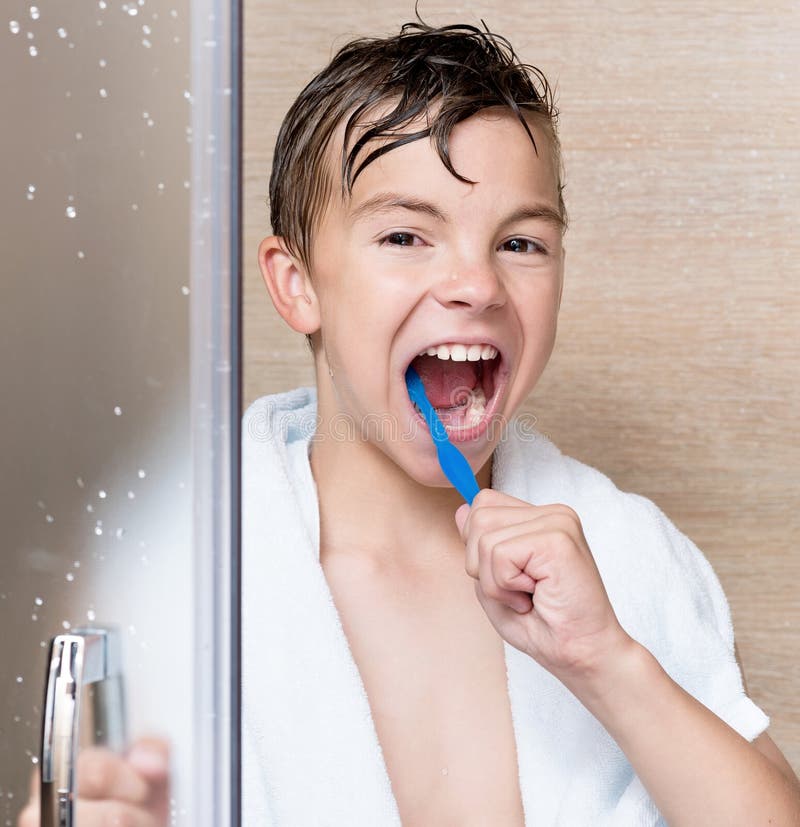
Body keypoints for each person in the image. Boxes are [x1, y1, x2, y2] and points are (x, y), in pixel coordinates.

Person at [19, 19, 800, 827]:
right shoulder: (189, 575)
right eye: (405, 235)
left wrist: (607, 663)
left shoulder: (626, 558)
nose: (476, 283)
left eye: (521, 242)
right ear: (296, 285)